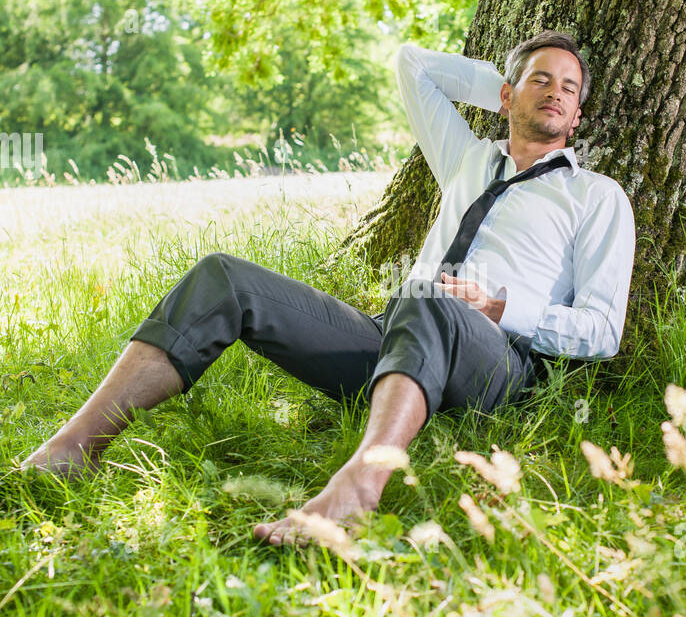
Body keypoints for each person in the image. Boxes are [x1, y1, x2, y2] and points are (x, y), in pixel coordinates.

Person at [20, 30, 636, 545]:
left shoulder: (596, 196)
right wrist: (508, 85)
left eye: (569, 88)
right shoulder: (466, 159)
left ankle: (355, 492)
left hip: (495, 364)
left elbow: (604, 331)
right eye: (541, 80)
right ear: (506, 96)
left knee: (431, 299)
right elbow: (413, 65)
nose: (556, 93)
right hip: (398, 337)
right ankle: (76, 446)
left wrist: (505, 308)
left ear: (579, 114)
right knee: (223, 278)